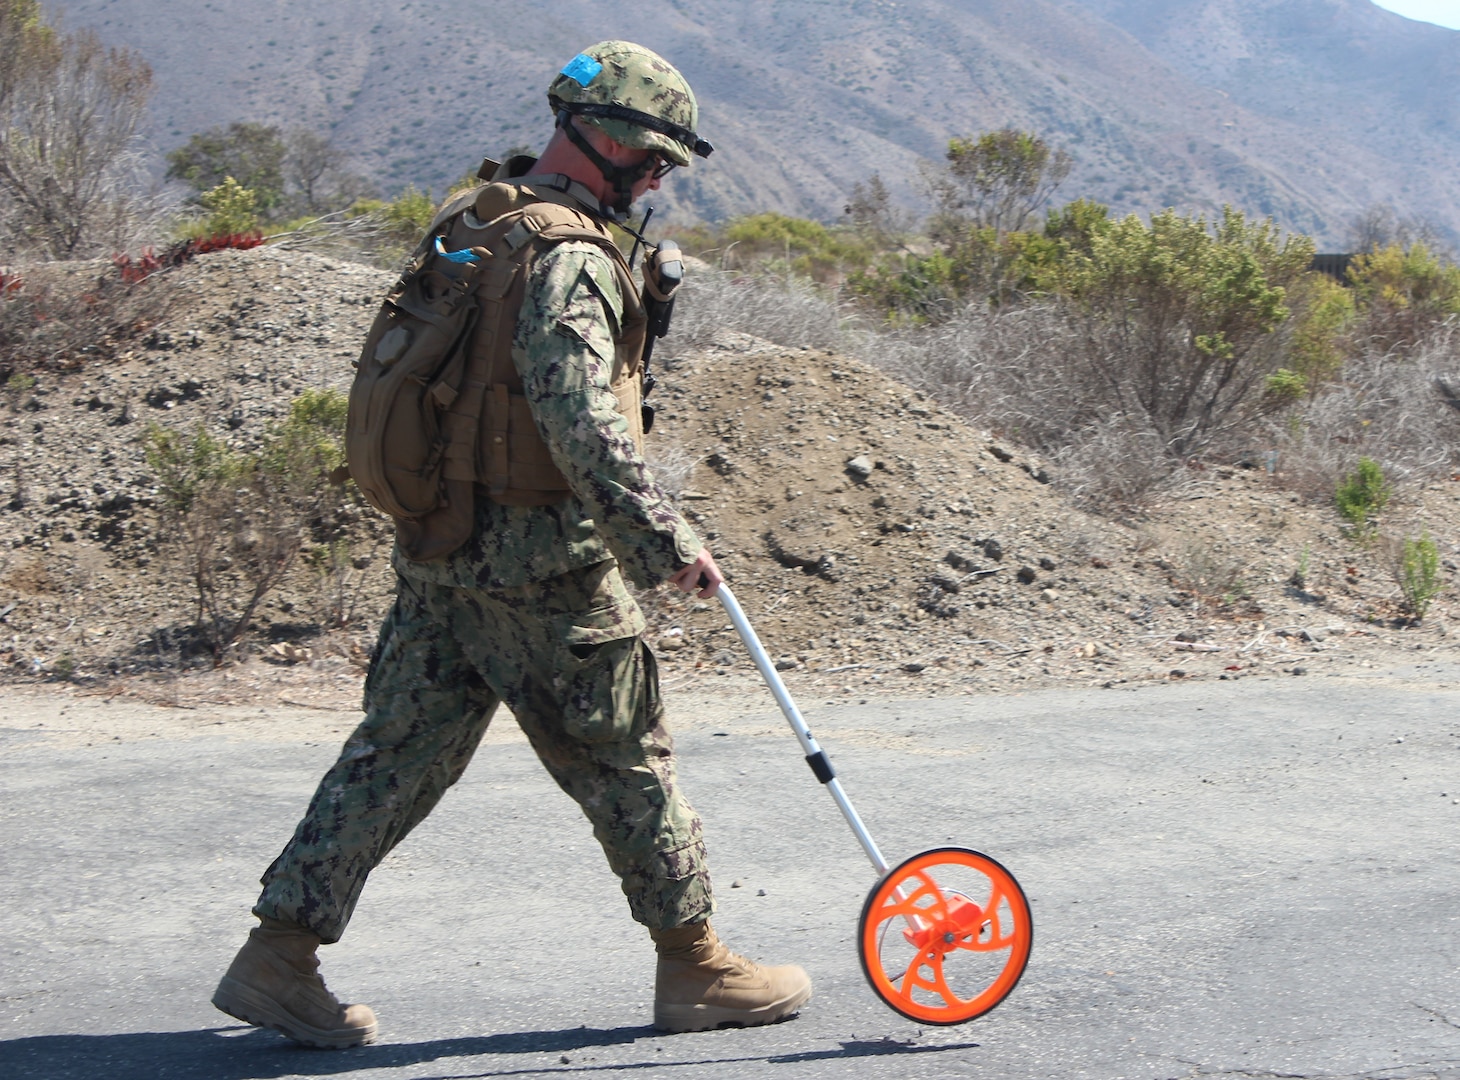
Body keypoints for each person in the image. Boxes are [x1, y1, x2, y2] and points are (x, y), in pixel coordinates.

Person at [210, 40, 812, 1048]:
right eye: (655, 155)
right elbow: (580, 420)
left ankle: (279, 955)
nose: (661, 176)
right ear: (610, 140)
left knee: (397, 754)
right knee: (625, 755)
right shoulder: (571, 257)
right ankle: (696, 970)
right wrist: (659, 540)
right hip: (541, 565)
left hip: (441, 546)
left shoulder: (476, 216)